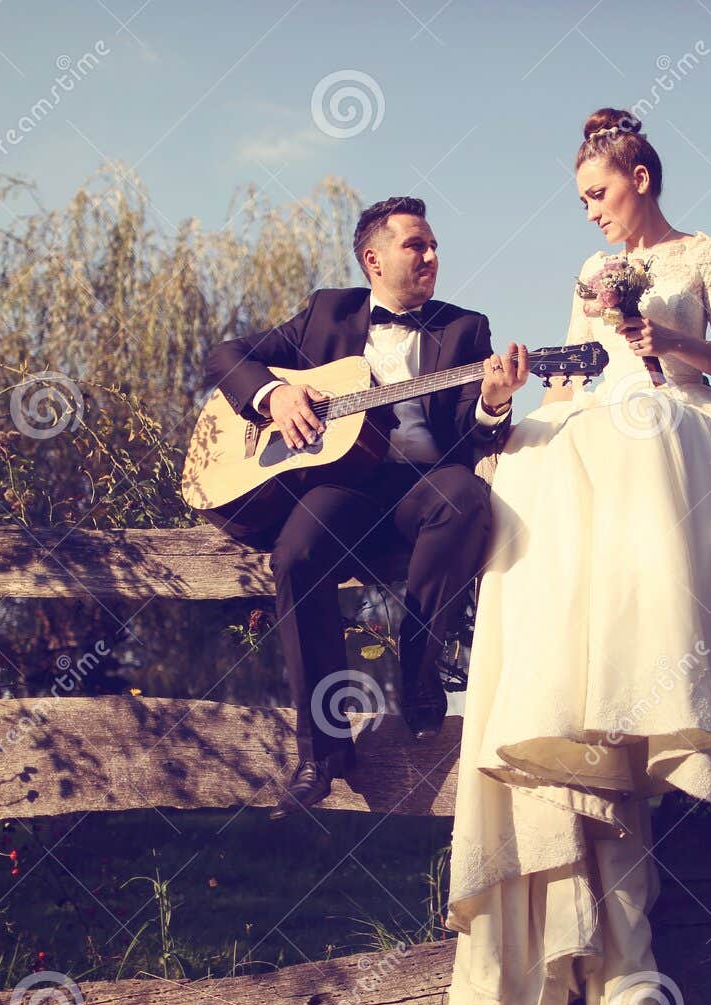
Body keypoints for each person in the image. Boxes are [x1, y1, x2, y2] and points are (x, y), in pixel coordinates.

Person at [442, 110, 711, 1005]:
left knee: (651, 438)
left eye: (600, 191)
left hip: (684, 408)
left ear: (643, 176)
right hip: (603, 408)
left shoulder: (701, 254)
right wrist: (520, 397)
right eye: (581, 198)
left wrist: (666, 339)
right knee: (536, 465)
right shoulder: (590, 278)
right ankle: (572, 684)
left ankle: (658, 686)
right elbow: (575, 384)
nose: (590, 213)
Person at [202, 196, 527, 820]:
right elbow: (225, 357)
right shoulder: (329, 311)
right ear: (373, 260)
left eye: (434, 245)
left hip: (424, 483)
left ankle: (420, 658)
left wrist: (492, 401)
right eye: (417, 245)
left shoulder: (465, 329)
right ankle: (321, 754)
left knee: (464, 497)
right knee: (295, 555)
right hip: (344, 483)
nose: (432, 256)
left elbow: (468, 438)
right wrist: (274, 397)